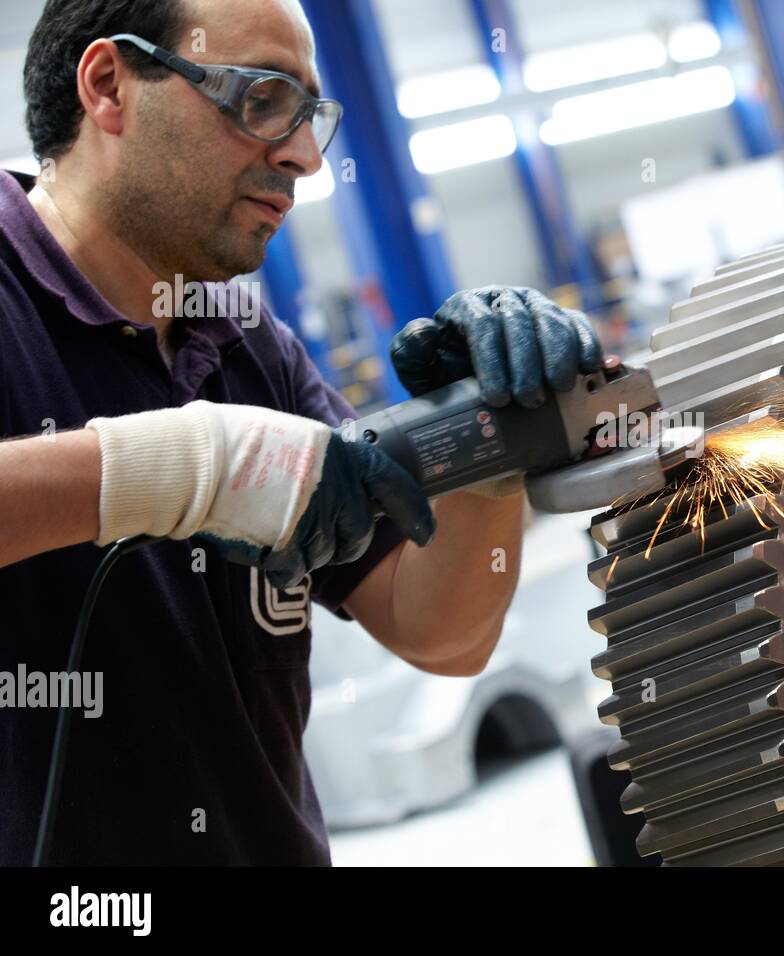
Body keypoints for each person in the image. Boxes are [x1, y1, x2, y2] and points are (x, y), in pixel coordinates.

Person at [0, 0, 602, 864]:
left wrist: (484, 448)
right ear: (108, 88)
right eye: (260, 100)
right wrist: (190, 465)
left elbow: (442, 634)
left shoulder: (244, 347)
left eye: (310, 114)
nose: (304, 157)